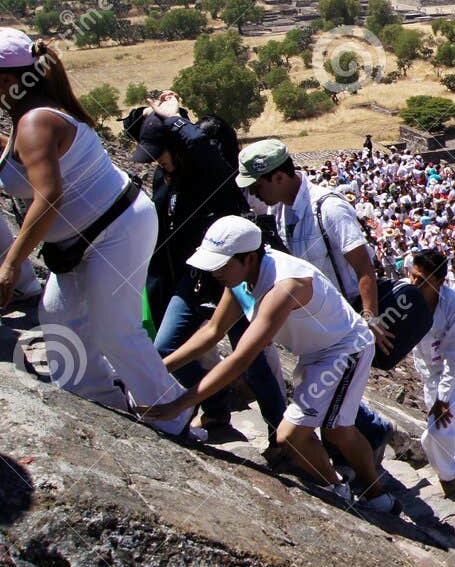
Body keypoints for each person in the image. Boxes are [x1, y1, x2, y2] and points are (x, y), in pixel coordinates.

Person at [0, 29, 196, 438]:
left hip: (115, 230)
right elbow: (20, 157)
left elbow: (49, 197)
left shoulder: (37, 121)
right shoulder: (29, 119)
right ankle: (97, 403)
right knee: (59, 321)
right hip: (84, 239)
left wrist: (11, 263)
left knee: (115, 329)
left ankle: (174, 415)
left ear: (8, 80)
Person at [138, 216, 391, 510]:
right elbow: (212, 331)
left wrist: (177, 405)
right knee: (334, 430)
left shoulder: (285, 285)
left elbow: (240, 358)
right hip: (316, 350)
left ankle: (362, 491)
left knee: (303, 434)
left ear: (247, 258)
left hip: (344, 349)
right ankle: (349, 485)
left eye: (221, 264)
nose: (215, 272)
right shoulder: (241, 276)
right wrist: (158, 367)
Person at [129, 91, 279, 441]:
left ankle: (281, 437)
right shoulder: (164, 181)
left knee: (254, 363)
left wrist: (174, 116)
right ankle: (213, 407)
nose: (156, 163)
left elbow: (199, 147)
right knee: (166, 348)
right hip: (193, 279)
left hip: (233, 282)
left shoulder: (212, 176)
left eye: (160, 154)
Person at [235, 138, 394, 459]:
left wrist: (370, 317)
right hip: (320, 315)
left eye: (256, 186)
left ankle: (369, 440)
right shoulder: (282, 211)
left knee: (329, 389)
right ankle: (365, 437)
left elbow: (364, 266)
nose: (253, 194)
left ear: (278, 178)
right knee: (324, 386)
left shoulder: (328, 207)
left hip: (345, 316)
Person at [409, 248, 455, 494]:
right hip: (429, 369)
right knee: (450, 424)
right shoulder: (406, 295)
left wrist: (443, 398)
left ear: (439, 281)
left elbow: (453, 356)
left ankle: (448, 477)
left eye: (422, 280)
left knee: (434, 430)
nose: (415, 283)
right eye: (413, 276)